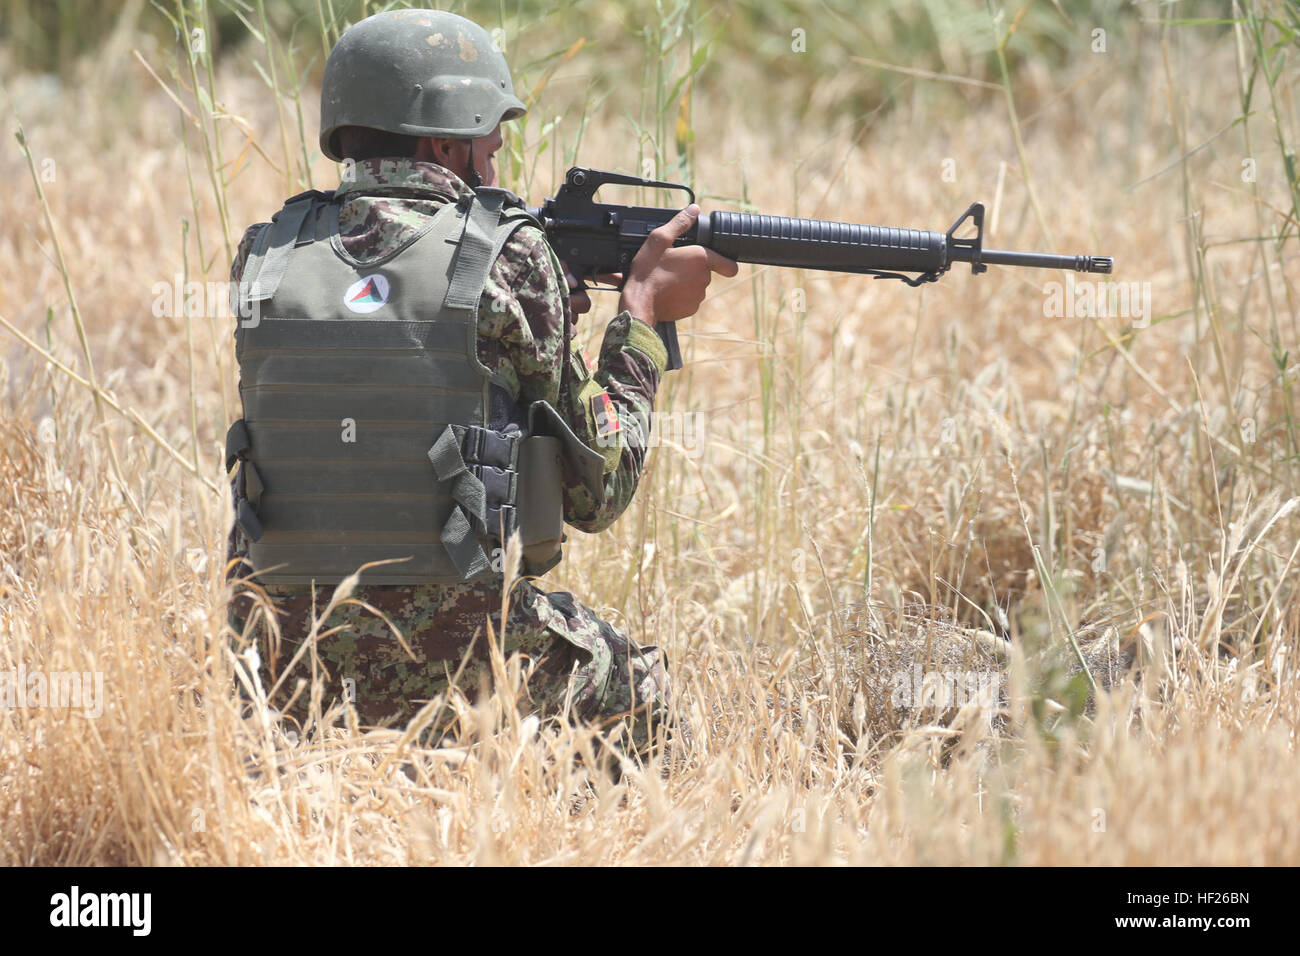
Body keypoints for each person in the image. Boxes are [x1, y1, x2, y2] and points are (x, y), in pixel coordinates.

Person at [224, 8, 736, 751]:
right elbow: (600, 492)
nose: (496, 171)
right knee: (639, 689)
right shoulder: (513, 259)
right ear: (446, 141)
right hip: (462, 674)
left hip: (275, 682)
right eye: (490, 149)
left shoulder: (265, 256)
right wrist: (643, 319)